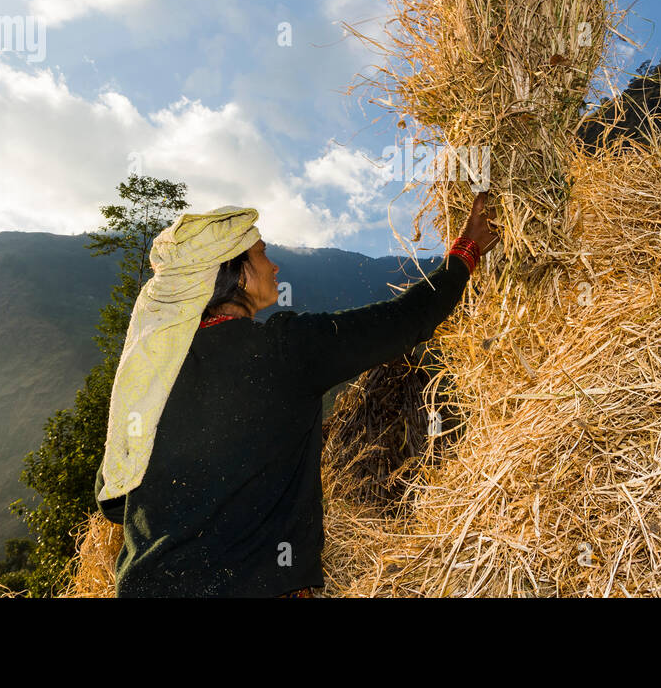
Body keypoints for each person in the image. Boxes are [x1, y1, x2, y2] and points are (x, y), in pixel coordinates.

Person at [94, 193, 500, 597]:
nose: (274, 266)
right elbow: (407, 319)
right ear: (237, 274)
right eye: (261, 253)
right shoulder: (284, 349)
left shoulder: (147, 378)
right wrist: (466, 251)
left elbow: (113, 503)